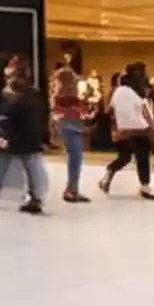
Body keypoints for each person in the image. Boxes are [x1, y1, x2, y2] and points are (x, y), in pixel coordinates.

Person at [0, 57, 49, 214]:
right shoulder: (31, 94)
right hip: (26, 136)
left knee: (9, 164)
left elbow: (3, 115)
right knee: (29, 166)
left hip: (20, 135)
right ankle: (34, 197)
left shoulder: (11, 95)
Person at [98, 63, 154, 201]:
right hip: (140, 130)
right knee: (142, 158)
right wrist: (153, 129)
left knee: (124, 157)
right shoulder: (138, 91)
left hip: (123, 130)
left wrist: (115, 126)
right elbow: (145, 112)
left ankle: (108, 174)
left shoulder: (117, 91)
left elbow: (108, 110)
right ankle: (145, 186)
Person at [52, 66, 90, 203]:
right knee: (75, 157)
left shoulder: (73, 95)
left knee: (77, 158)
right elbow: (58, 112)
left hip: (75, 126)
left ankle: (73, 188)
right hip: (69, 127)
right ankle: (71, 189)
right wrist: (75, 111)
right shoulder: (59, 96)